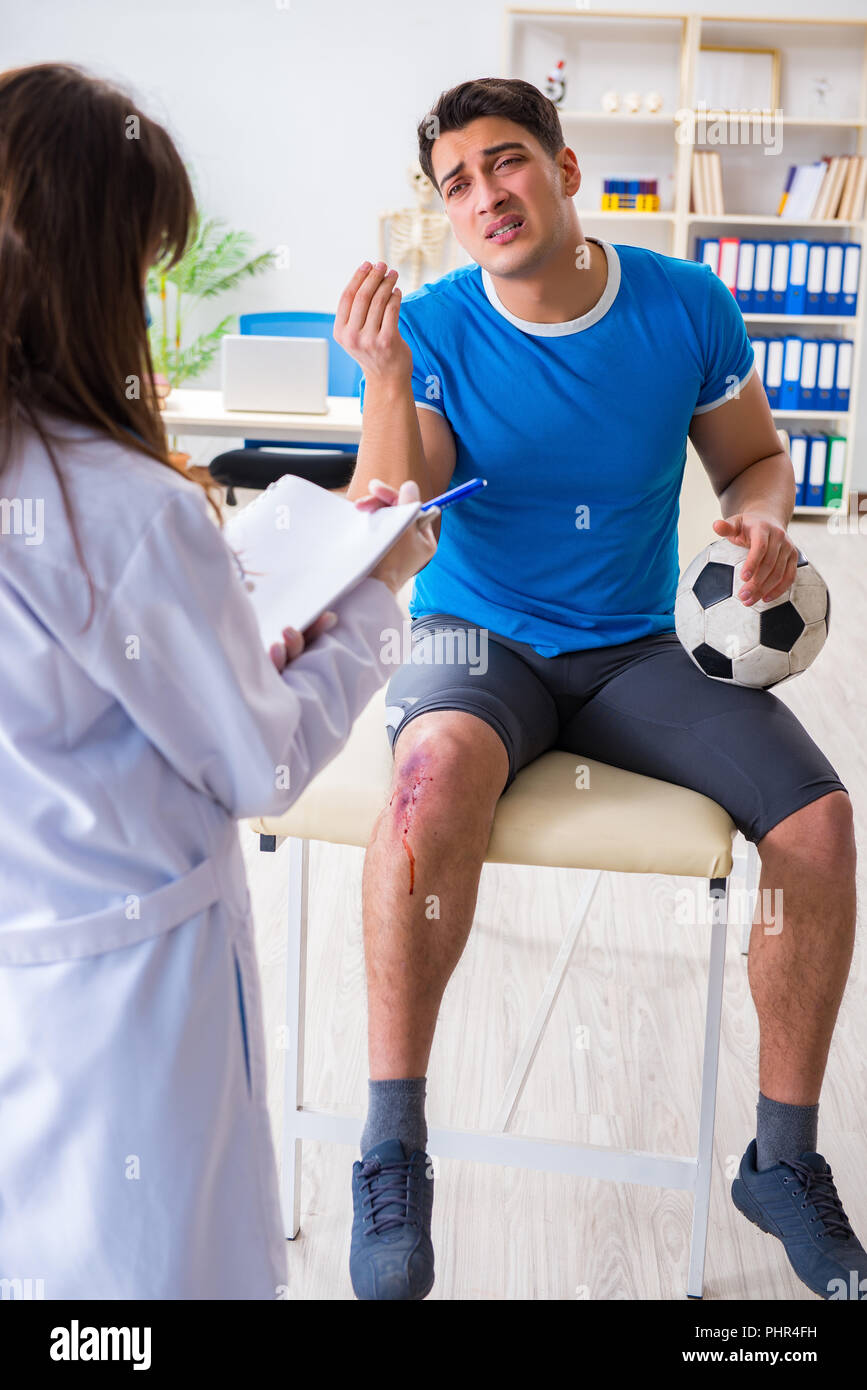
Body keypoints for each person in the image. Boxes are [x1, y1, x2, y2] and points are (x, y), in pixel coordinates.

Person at [333, 77, 864, 1301]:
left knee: (820, 823)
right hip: (480, 639)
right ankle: (393, 1145)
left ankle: (781, 1161)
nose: (485, 195)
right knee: (424, 791)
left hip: (637, 649)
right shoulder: (442, 328)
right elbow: (400, 532)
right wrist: (380, 377)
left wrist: (757, 529)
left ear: (568, 170)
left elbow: (758, 461)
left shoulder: (685, 305)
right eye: (455, 182)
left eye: (505, 162)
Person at [0, 62, 437, 1300]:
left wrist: (217, 641)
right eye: (140, 268)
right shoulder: (126, 510)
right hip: (129, 1002)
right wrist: (375, 592)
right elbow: (260, 762)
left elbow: (69, 693)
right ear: (88, 269)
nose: (146, 297)